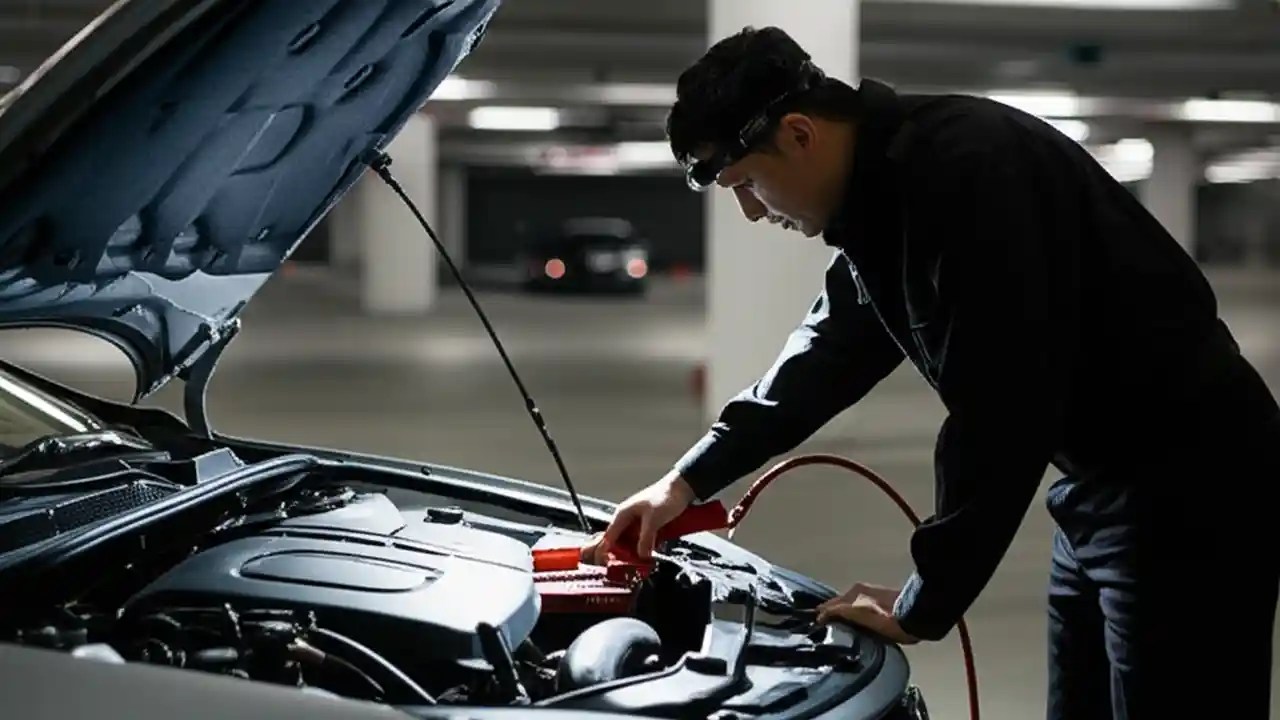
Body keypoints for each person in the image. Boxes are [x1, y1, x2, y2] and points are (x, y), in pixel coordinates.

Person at [584, 25, 1280, 720]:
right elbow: (826, 353)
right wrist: (684, 482)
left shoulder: (967, 172)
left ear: (799, 134)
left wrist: (926, 602)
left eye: (747, 185)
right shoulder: (881, 199)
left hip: (1192, 489)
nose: (752, 212)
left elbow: (1002, 411)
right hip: (1099, 494)